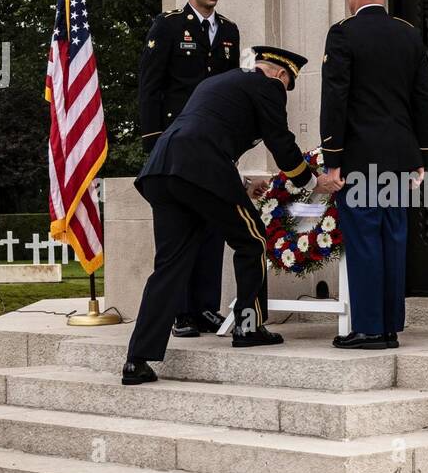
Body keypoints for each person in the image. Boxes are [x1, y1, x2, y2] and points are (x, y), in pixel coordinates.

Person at [123, 46, 338, 385]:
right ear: (282, 75)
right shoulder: (267, 85)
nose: (285, 92)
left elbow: (205, 133)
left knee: (169, 267)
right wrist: (313, 182)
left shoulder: (220, 83)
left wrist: (239, 182)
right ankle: (248, 327)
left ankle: (137, 359)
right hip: (201, 172)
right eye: (288, 85)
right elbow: (280, 142)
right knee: (252, 241)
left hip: (163, 171)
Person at [319, 0, 428, 350]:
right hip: (400, 157)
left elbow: (335, 98)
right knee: (393, 237)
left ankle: (368, 327)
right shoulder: (408, 35)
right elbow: (422, 99)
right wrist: (420, 153)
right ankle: (389, 326)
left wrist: (332, 157)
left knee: (366, 239)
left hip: (360, 156)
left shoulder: (343, 34)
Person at [137, 0, 240, 339]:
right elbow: (151, 88)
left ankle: (204, 308)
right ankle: (181, 311)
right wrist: (154, 143)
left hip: (213, 146)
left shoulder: (229, 31)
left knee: (212, 226)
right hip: (174, 145)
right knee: (177, 231)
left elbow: (231, 93)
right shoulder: (168, 27)